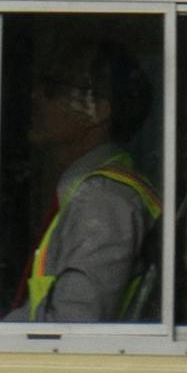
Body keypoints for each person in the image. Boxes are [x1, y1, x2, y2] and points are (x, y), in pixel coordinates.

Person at [24, 35, 159, 322]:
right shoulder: (91, 189)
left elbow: (74, 329)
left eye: (53, 88)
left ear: (98, 111)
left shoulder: (101, 200)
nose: (35, 95)